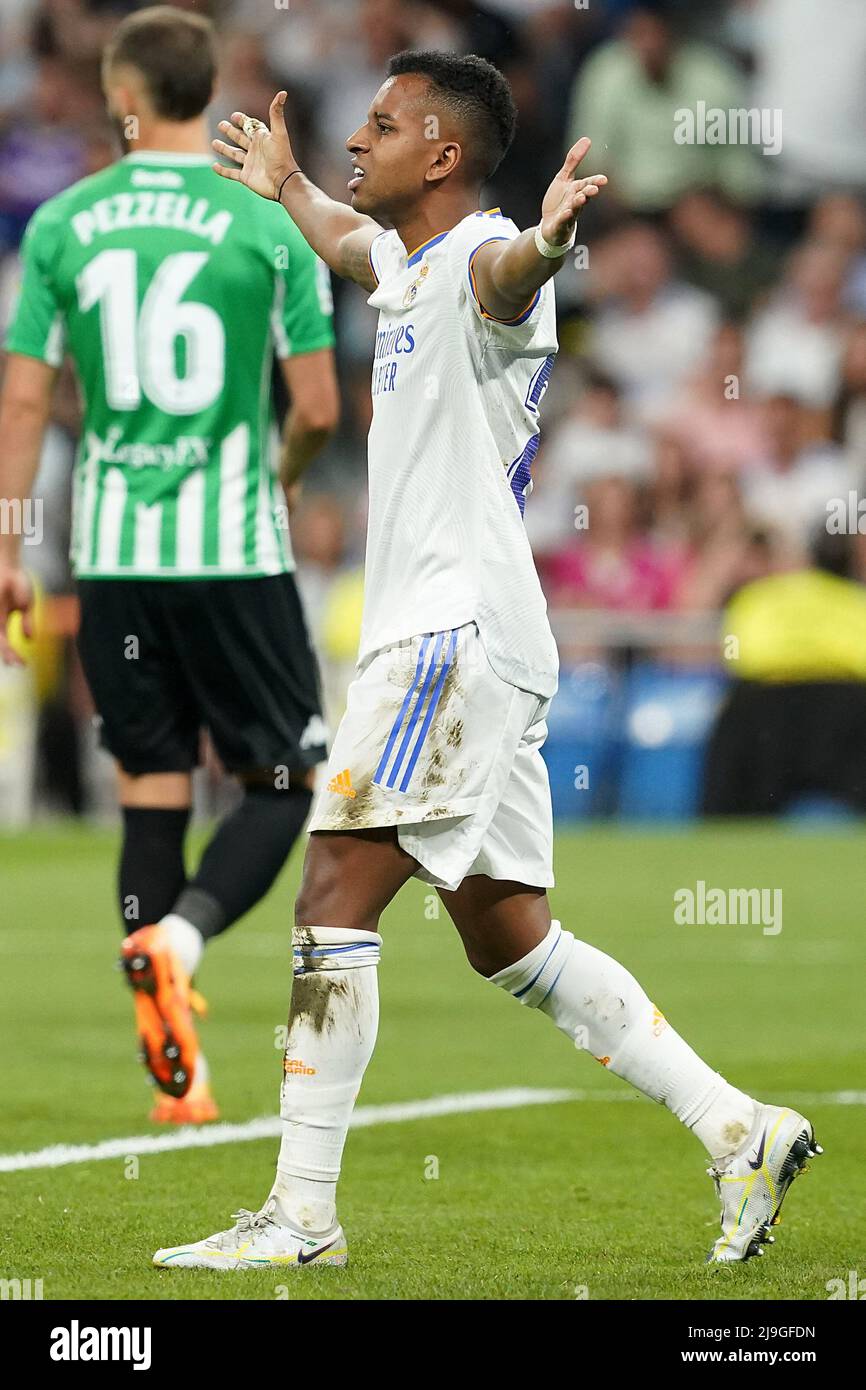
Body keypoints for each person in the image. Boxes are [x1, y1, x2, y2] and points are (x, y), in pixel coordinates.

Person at [154, 49, 819, 1271]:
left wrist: (555, 240)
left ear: (444, 155)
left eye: (384, 124)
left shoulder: (485, 257)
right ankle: (740, 1127)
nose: (360, 139)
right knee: (507, 935)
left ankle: (300, 1215)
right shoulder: (407, 263)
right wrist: (291, 187)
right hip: (477, 640)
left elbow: (511, 281)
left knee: (331, 890)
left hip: (445, 640)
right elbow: (351, 244)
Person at [0, 6, 339, 1124]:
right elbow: (322, 410)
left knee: (150, 790)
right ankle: (179, 942)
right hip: (230, 547)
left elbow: (25, 394)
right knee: (286, 778)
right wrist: (286, 470)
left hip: (111, 556)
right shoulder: (267, 223)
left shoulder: (62, 223)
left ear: (123, 96)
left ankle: (175, 1062)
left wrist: (8, 543)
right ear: (212, 89)